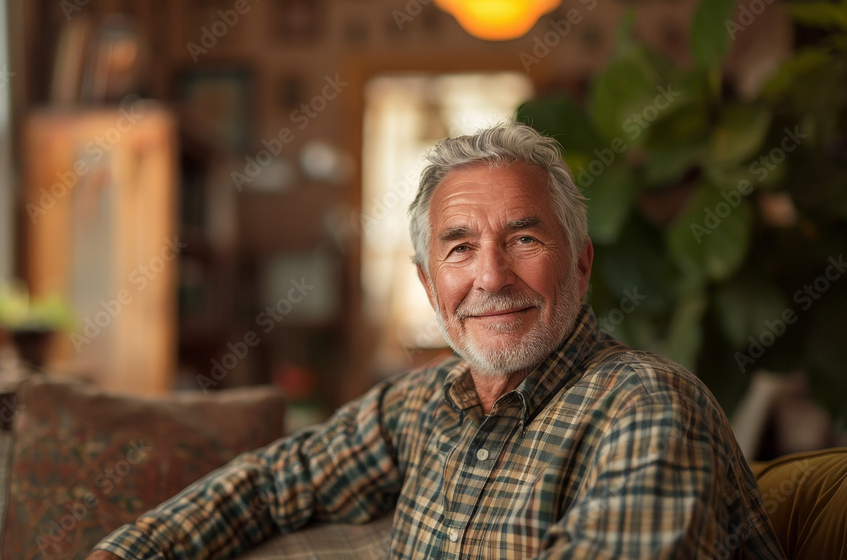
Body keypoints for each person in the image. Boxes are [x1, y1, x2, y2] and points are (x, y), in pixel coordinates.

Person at [89, 121, 785, 559]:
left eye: (524, 237)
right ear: (428, 286)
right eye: (459, 248)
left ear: (581, 261)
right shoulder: (422, 404)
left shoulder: (646, 404)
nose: (490, 276)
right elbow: (271, 486)